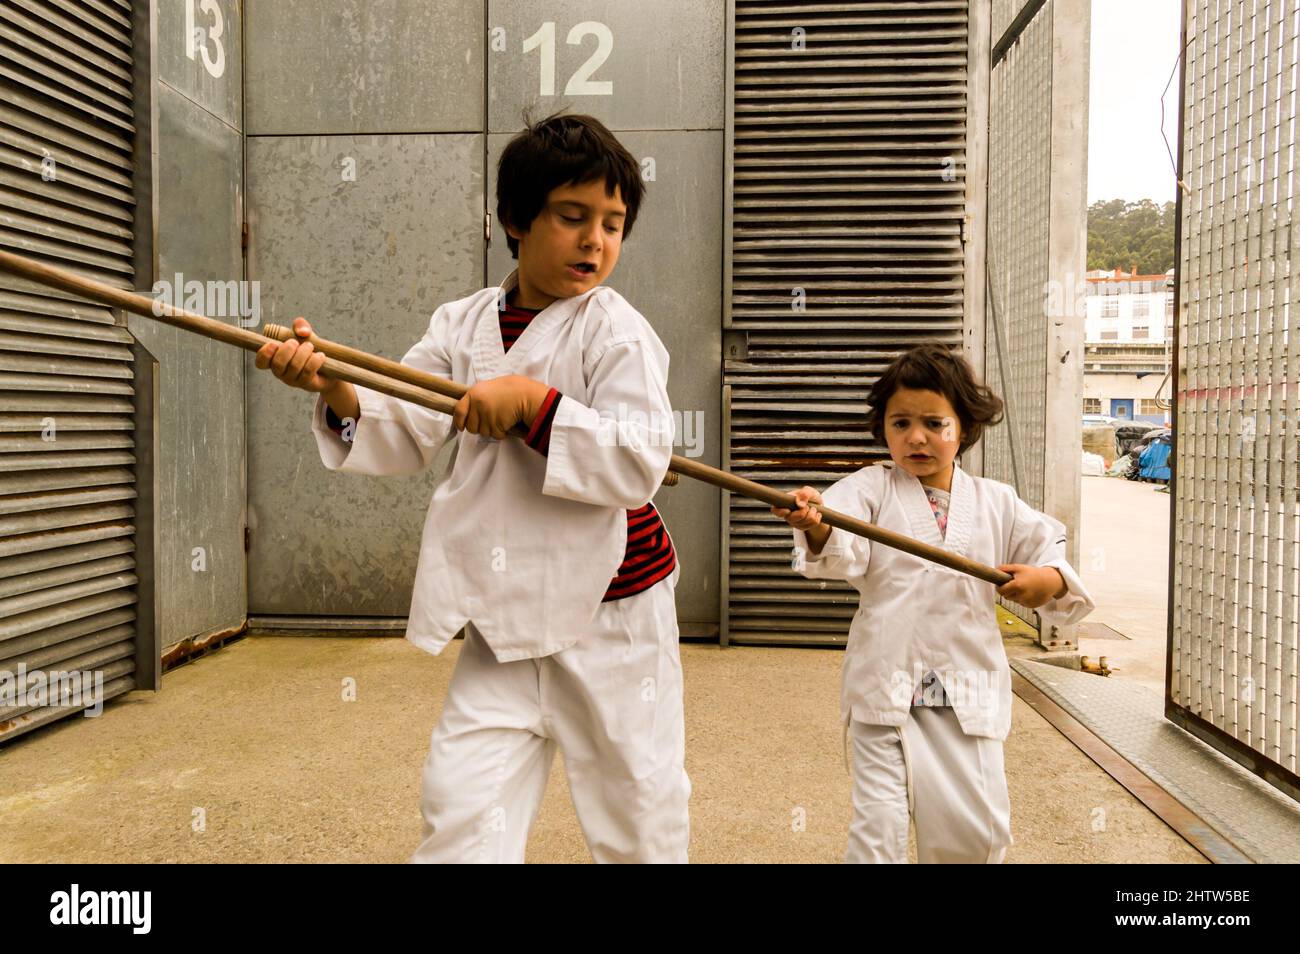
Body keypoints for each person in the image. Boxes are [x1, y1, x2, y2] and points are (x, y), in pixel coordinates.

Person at [254, 113, 688, 863]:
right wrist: (336, 387)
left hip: (613, 616)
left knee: (639, 815)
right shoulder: (462, 326)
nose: (595, 241)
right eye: (572, 216)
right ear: (516, 220)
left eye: (614, 224)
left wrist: (536, 406)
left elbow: (639, 461)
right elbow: (401, 427)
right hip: (504, 618)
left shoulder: (616, 332)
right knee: (460, 811)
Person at [771, 344, 1095, 863]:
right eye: (900, 423)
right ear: (884, 431)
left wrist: (1048, 580)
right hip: (886, 688)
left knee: (975, 831)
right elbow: (837, 545)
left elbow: (1049, 555)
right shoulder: (870, 489)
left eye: (934, 424)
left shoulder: (996, 502)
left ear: (963, 428)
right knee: (878, 826)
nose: (916, 437)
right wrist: (815, 525)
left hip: (966, 693)